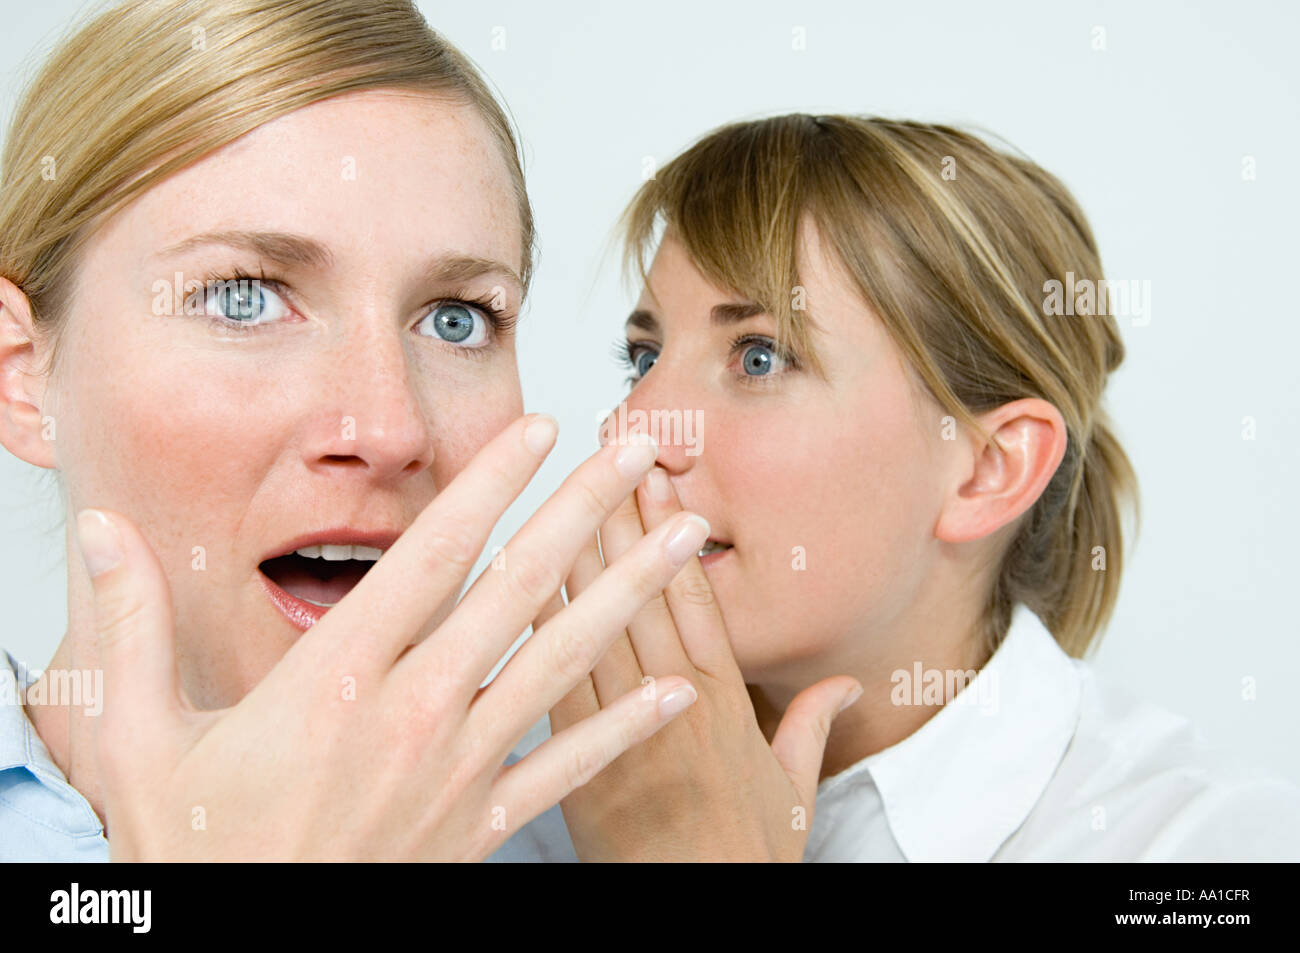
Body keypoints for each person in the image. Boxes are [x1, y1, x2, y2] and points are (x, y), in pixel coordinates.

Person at [0, 0, 719, 861]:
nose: (389, 428)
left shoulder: (614, 835)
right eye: (244, 299)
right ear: (21, 376)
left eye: (455, 319)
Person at [513, 114, 1300, 861]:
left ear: (989, 470)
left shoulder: (1209, 845)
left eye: (759, 356)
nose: (631, 430)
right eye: (645, 359)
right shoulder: (513, 801)